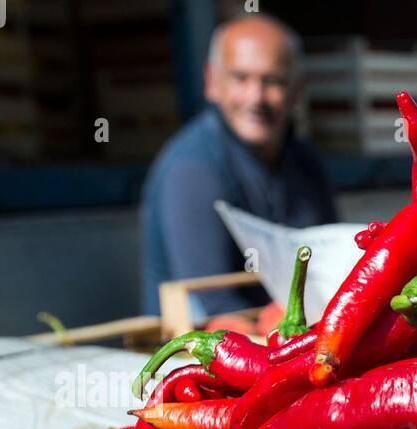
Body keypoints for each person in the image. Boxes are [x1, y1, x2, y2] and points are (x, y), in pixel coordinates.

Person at [140, 15, 336, 318]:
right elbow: (215, 309)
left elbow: (330, 268)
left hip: (293, 336)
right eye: (240, 78)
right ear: (212, 82)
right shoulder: (192, 168)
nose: (256, 97)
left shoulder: (305, 160)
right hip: (196, 353)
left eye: (273, 81)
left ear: (297, 89)